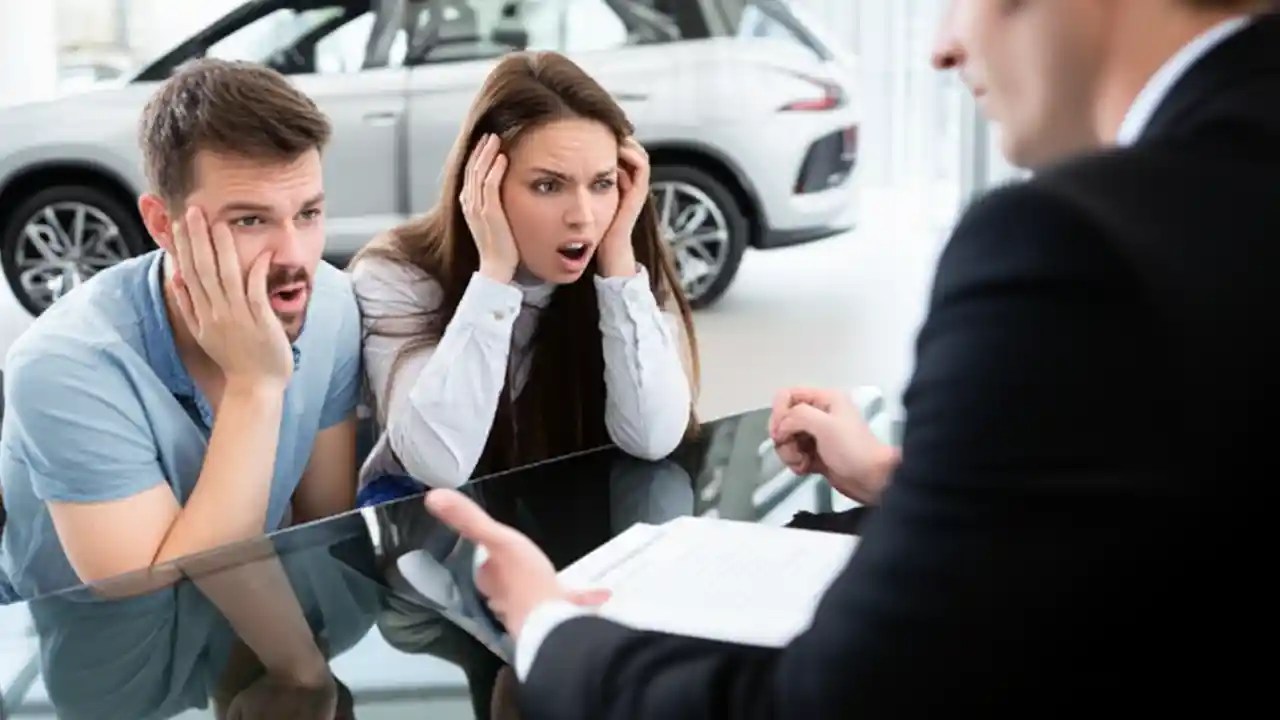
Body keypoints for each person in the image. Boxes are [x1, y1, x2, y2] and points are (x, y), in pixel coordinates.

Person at [422, 0, 1280, 715]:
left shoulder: (1072, 243)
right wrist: (903, 482)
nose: (944, 47)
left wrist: (547, 630)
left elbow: (830, 704)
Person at [0, 58, 363, 600]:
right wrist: (255, 385)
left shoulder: (328, 304)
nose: (294, 256)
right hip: (86, 657)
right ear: (161, 225)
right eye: (249, 220)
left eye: (308, 214)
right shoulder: (63, 364)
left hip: (253, 632)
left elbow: (320, 534)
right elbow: (152, 597)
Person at [350, 50, 698, 493]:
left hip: (574, 530)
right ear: (483, 184)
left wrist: (619, 272)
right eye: (548, 186)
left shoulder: (622, 265)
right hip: (434, 543)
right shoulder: (395, 274)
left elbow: (654, 439)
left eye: (602, 184)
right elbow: (438, 464)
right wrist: (494, 276)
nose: (584, 217)